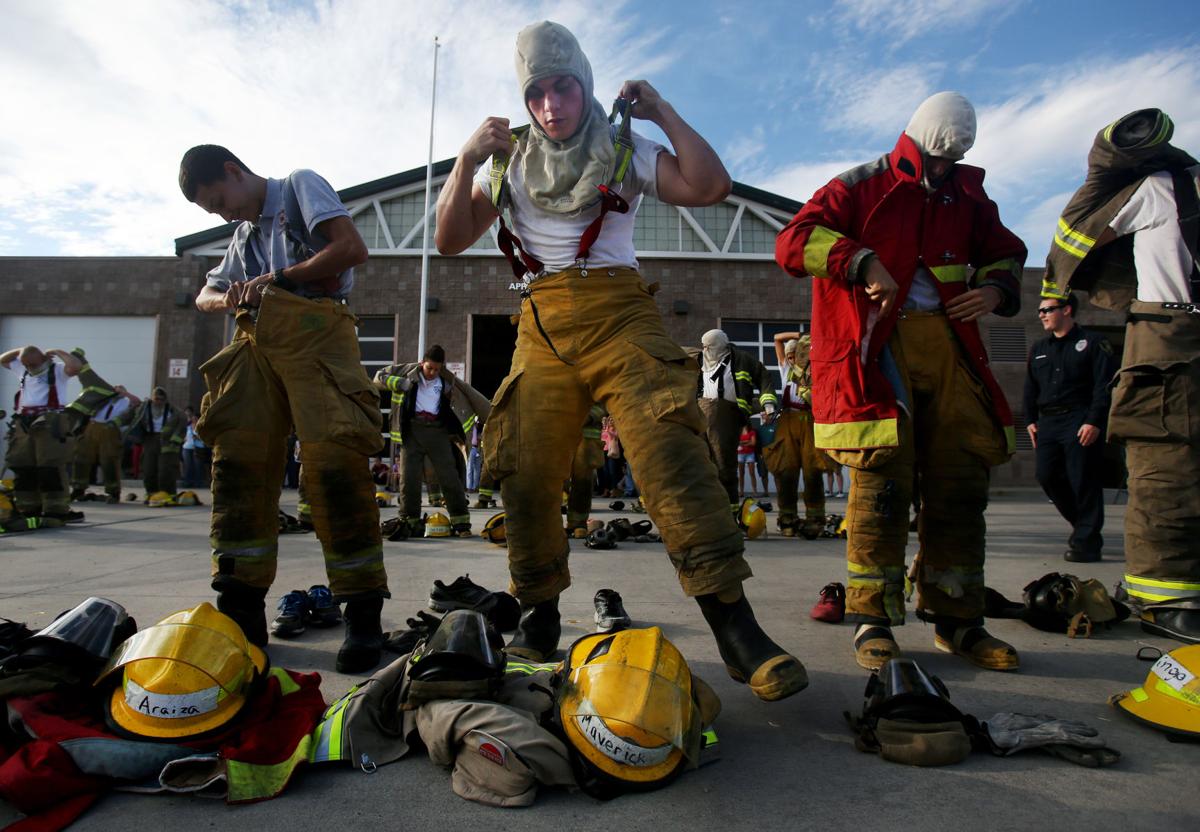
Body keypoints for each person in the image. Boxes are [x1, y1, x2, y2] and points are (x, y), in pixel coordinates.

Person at [435, 20, 806, 702]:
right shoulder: (505, 161)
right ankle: (540, 612)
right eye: (537, 93)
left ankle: (735, 626)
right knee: (524, 466)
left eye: (564, 88)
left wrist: (661, 110)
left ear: (585, 85)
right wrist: (462, 161)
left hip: (620, 312)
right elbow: (451, 239)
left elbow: (709, 187)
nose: (552, 105)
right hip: (539, 322)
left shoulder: (621, 146)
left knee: (670, 450)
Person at [776, 91, 1027, 672]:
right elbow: (793, 241)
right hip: (876, 353)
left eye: (953, 159)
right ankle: (873, 618)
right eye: (936, 159)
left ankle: (959, 621)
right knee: (881, 487)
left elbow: (1006, 253)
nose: (942, 170)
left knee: (961, 484)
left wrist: (994, 290)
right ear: (914, 143)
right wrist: (860, 261)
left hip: (948, 348)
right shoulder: (858, 186)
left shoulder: (967, 194)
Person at [180, 143, 388, 673]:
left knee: (335, 466)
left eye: (219, 199)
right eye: (211, 210)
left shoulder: (299, 187)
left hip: (318, 331)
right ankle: (241, 611)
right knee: (239, 466)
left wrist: (279, 278)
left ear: (234, 171)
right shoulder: (243, 236)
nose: (222, 212)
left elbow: (350, 249)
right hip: (254, 343)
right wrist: (224, 298)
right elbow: (205, 292)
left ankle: (362, 615)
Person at [1041, 108, 1200, 643]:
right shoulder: (1165, 188)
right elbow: (1076, 238)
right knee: (1167, 465)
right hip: (1170, 336)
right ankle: (1163, 593)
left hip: (1174, 337)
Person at [1023, 292, 1117, 563]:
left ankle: (1086, 543)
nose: (1042, 315)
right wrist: (1029, 420)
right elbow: (1030, 388)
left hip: (1079, 418)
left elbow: (1104, 386)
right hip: (1048, 423)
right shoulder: (1039, 349)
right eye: (1040, 311)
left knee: (1083, 479)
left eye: (1048, 310)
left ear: (1067, 310)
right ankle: (1084, 526)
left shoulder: (1093, 343)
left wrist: (1094, 420)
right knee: (1047, 475)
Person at [374, 345, 491, 538]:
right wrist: (399, 383)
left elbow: (472, 398)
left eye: (437, 369)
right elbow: (378, 377)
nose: (433, 373)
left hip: (437, 432)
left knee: (449, 476)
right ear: (422, 363)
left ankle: (461, 522)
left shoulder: (447, 381)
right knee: (408, 479)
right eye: (430, 368)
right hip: (411, 432)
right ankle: (409, 522)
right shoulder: (406, 371)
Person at [690, 329, 779, 512]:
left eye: (709, 346)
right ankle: (704, 509)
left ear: (721, 345)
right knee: (700, 462)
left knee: (724, 464)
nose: (706, 349)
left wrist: (769, 404)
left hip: (726, 415)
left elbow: (763, 377)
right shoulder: (698, 358)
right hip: (700, 411)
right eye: (703, 346)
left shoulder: (741, 360)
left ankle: (729, 512)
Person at [0, 346, 84, 525]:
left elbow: (76, 366)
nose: (29, 367)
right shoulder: (23, 369)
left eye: (32, 363)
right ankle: (28, 507)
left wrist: (58, 351)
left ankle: (56, 510)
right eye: (26, 364)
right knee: (23, 465)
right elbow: (3, 360)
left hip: (50, 420)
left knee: (50, 466)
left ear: (44, 359)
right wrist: (20, 350)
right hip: (24, 420)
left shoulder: (58, 370)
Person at [765, 334, 837, 538]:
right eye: (788, 356)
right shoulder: (786, 371)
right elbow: (777, 340)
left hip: (809, 422)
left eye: (793, 355)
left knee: (812, 472)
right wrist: (798, 336)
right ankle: (788, 519)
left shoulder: (814, 372)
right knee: (786, 472)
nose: (790, 359)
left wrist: (805, 340)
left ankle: (815, 519)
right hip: (788, 422)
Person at [72, 384, 140, 503]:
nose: (115, 391)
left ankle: (113, 492)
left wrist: (125, 393)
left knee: (109, 461)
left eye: (119, 389)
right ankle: (78, 489)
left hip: (110, 430)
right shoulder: (103, 400)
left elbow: (138, 403)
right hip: (92, 427)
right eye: (114, 389)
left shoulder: (126, 401)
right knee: (82, 459)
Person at [121, 387, 186, 500]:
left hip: (167, 442)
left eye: (161, 399)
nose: (158, 401)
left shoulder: (174, 411)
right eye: (156, 399)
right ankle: (151, 493)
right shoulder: (143, 408)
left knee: (165, 470)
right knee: (148, 468)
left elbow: (181, 426)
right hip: (149, 440)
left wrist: (175, 441)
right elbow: (129, 417)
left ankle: (168, 494)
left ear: (165, 400)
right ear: (152, 398)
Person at [737, 424, 758, 497]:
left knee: (752, 473)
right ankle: (741, 492)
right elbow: (737, 442)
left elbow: (753, 443)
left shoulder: (751, 431)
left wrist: (742, 443)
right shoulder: (738, 431)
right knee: (741, 474)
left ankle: (755, 491)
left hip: (750, 454)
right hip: (740, 454)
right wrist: (747, 441)